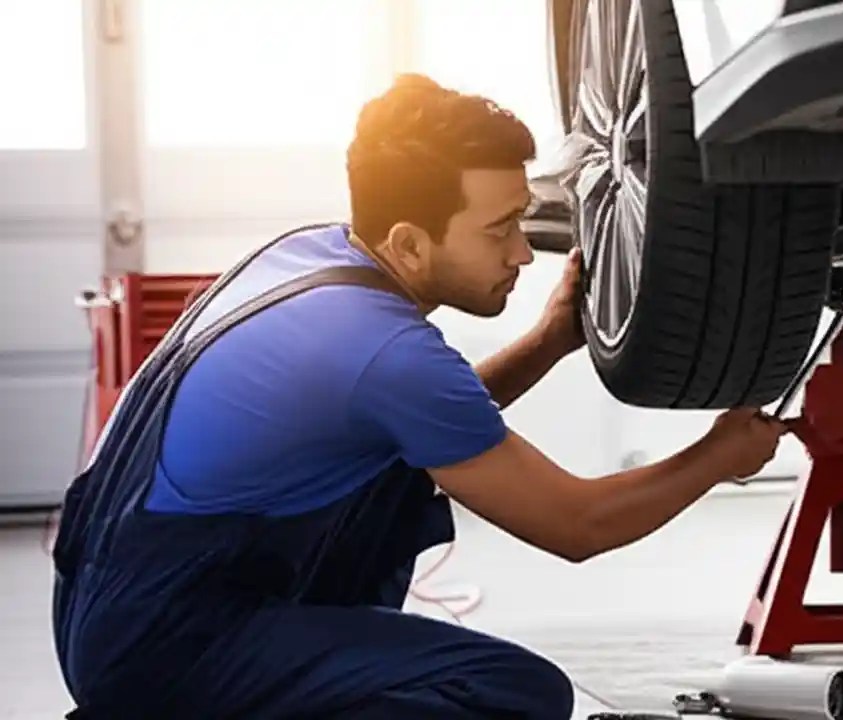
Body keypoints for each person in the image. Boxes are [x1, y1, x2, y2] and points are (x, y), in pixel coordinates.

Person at [50, 73, 789, 719]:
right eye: (500, 230)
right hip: (166, 641)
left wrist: (547, 339)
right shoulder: (381, 350)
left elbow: (426, 414)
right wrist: (717, 456)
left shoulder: (311, 256)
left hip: (106, 607)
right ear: (408, 244)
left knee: (390, 476)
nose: (524, 253)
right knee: (512, 691)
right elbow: (577, 524)